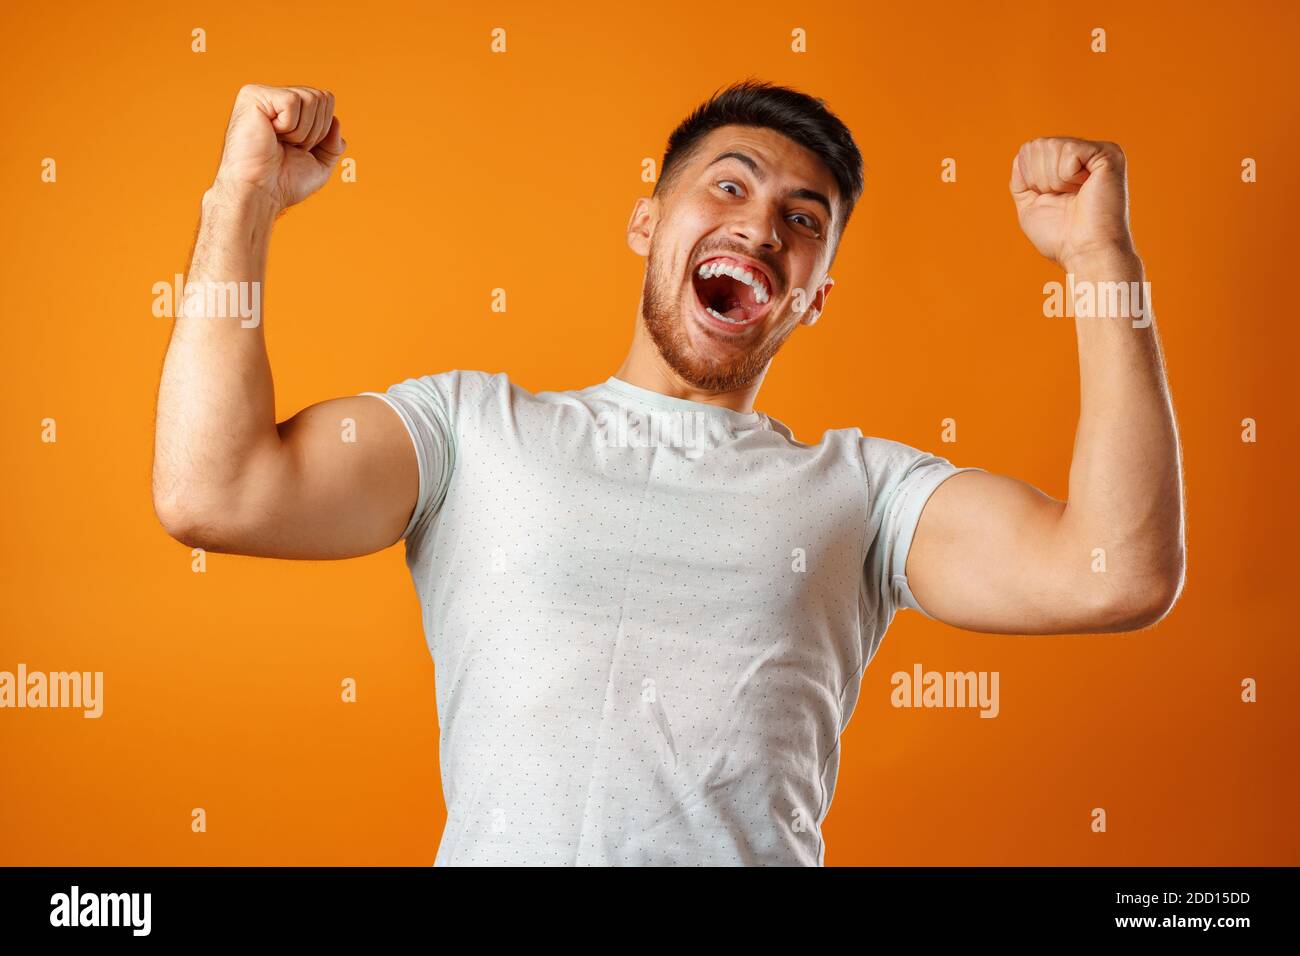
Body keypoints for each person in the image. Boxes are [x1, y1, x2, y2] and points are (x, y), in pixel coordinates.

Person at [152, 79, 1185, 865]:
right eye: (727, 184)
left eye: (802, 218)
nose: (760, 225)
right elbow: (215, 490)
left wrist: (1101, 263)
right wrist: (244, 194)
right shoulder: (467, 428)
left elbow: (1112, 570)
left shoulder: (861, 494)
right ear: (649, 225)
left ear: (813, 297)